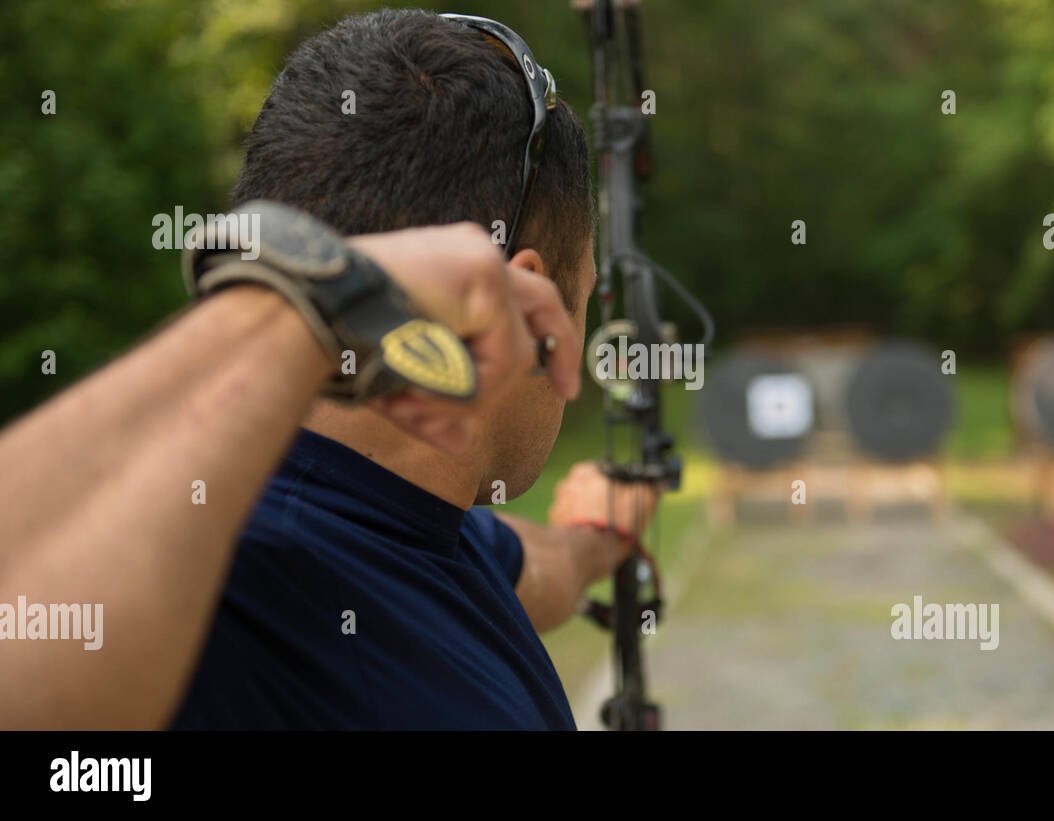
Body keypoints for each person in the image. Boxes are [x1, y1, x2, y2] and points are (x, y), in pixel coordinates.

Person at [0, 9, 655, 730]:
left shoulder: (425, 521)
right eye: (584, 293)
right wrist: (287, 304)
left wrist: (603, 534)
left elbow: (542, 567)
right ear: (526, 301)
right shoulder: (217, 584)